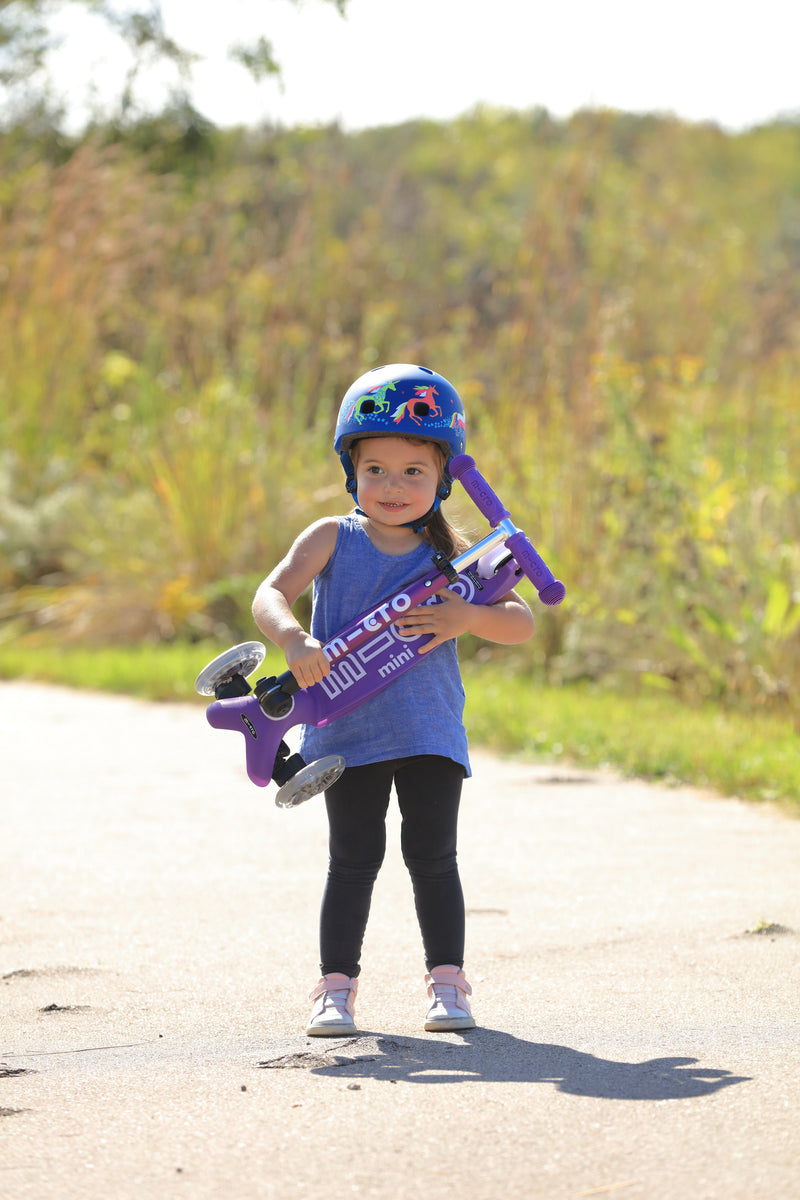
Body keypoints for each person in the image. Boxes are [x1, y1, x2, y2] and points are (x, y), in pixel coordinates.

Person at [252, 363, 535, 1036]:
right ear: (352, 472)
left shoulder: (457, 555)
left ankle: (448, 984)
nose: (393, 485)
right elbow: (270, 593)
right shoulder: (331, 537)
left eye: (414, 471)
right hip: (346, 730)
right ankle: (335, 990)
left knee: (433, 857)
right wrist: (291, 639)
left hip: (429, 731)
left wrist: (468, 618)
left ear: (444, 477)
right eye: (375, 468)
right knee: (353, 860)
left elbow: (522, 622)